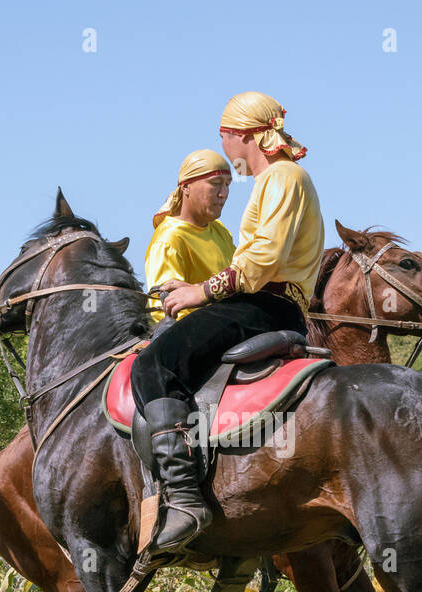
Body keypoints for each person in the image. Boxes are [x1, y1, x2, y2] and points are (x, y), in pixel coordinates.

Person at [132, 91, 324, 556]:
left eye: (225, 135)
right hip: (277, 306)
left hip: (261, 305)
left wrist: (198, 293)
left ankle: (182, 500)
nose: (224, 145)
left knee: (153, 366)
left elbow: (263, 259)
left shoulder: (281, 176)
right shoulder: (281, 178)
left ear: (242, 135)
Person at [145, 149, 235, 324]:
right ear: (186, 187)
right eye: (215, 183)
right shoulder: (169, 238)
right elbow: (164, 311)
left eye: (227, 184)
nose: (223, 193)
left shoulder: (220, 230)